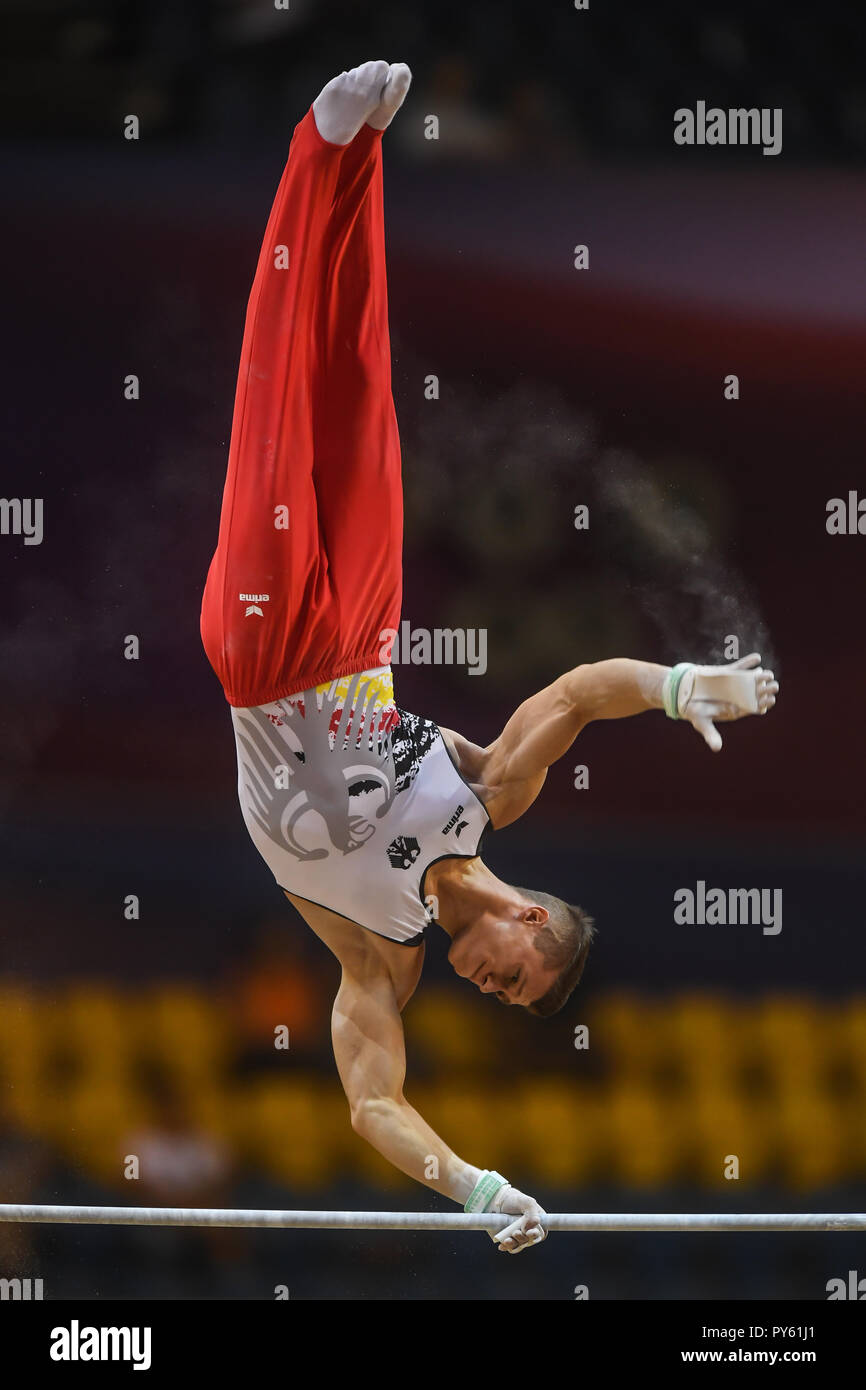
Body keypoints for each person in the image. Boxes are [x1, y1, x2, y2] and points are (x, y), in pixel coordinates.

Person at [201, 61, 778, 1253]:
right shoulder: (487, 796)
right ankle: (356, 157)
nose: (489, 989)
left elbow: (371, 1099)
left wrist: (470, 1184)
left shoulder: (377, 955)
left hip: (261, 659)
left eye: (501, 995)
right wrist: (681, 685)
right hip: (359, 635)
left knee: (275, 410)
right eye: (514, 978)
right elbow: (575, 691)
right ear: (528, 916)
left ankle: (311, 148)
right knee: (356, 388)